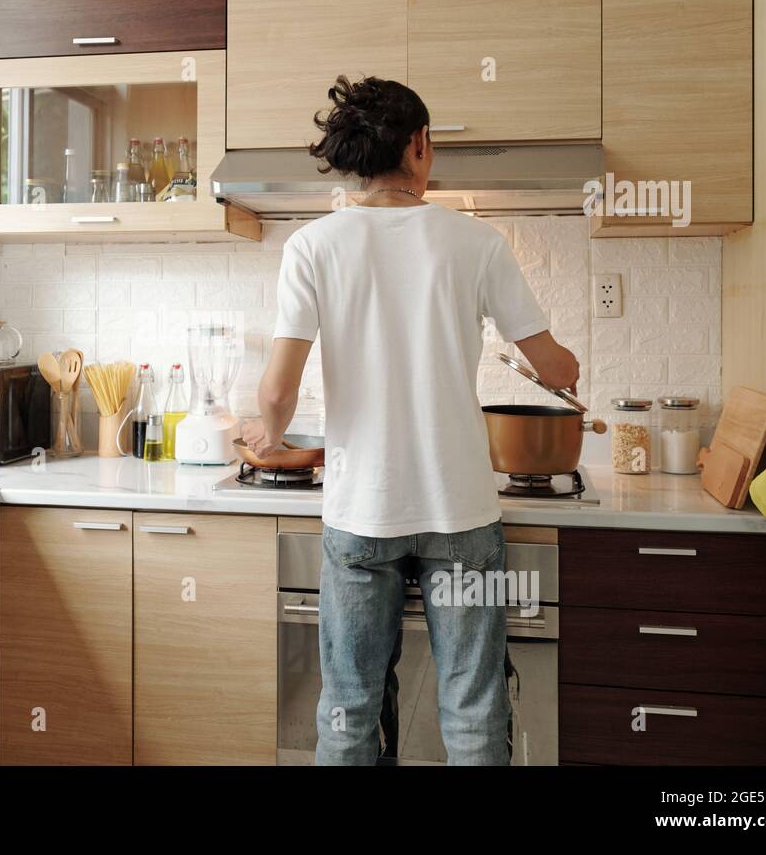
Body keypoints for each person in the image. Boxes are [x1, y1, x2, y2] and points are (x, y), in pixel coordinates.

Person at [242, 75, 580, 766]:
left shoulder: (312, 246)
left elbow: (278, 390)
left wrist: (265, 435)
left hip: (362, 512)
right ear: (421, 145)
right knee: (474, 703)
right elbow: (552, 368)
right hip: (459, 510)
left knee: (349, 705)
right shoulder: (475, 243)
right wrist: (565, 365)